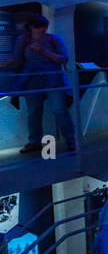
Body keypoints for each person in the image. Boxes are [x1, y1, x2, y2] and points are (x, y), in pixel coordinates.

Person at [0, 16, 76, 155]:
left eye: (42, 26)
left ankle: (71, 140)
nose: (39, 29)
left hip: (53, 80)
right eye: (36, 26)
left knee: (59, 110)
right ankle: (34, 142)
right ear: (30, 26)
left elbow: (64, 59)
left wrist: (43, 51)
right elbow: (18, 60)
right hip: (32, 81)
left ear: (46, 26)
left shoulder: (54, 39)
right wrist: (7, 64)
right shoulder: (22, 40)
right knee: (34, 112)